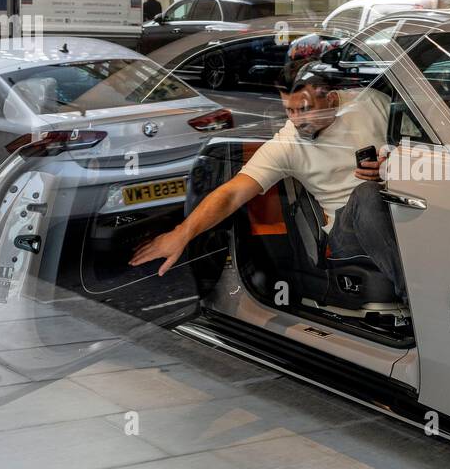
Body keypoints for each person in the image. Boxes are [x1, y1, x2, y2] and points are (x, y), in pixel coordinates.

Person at [129, 41, 407, 300]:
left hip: (400, 207)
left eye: (306, 109)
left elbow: (416, 147)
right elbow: (232, 194)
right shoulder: (287, 144)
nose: (297, 120)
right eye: (290, 110)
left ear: (332, 98)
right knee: (367, 193)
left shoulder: (369, 103)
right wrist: (181, 233)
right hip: (346, 235)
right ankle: (412, 295)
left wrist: (392, 165)